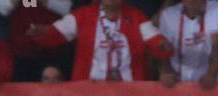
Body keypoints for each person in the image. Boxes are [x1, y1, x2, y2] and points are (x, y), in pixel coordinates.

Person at [28, 0, 170, 81]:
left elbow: (155, 40)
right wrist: (42, 31)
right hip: (89, 93)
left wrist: (162, 46)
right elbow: (55, 33)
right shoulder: (83, 15)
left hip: (129, 92)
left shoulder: (136, 16)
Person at [156, 0, 218, 87]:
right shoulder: (168, 14)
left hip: (211, 80)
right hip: (177, 81)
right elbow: (162, 49)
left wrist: (211, 74)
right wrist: (166, 72)